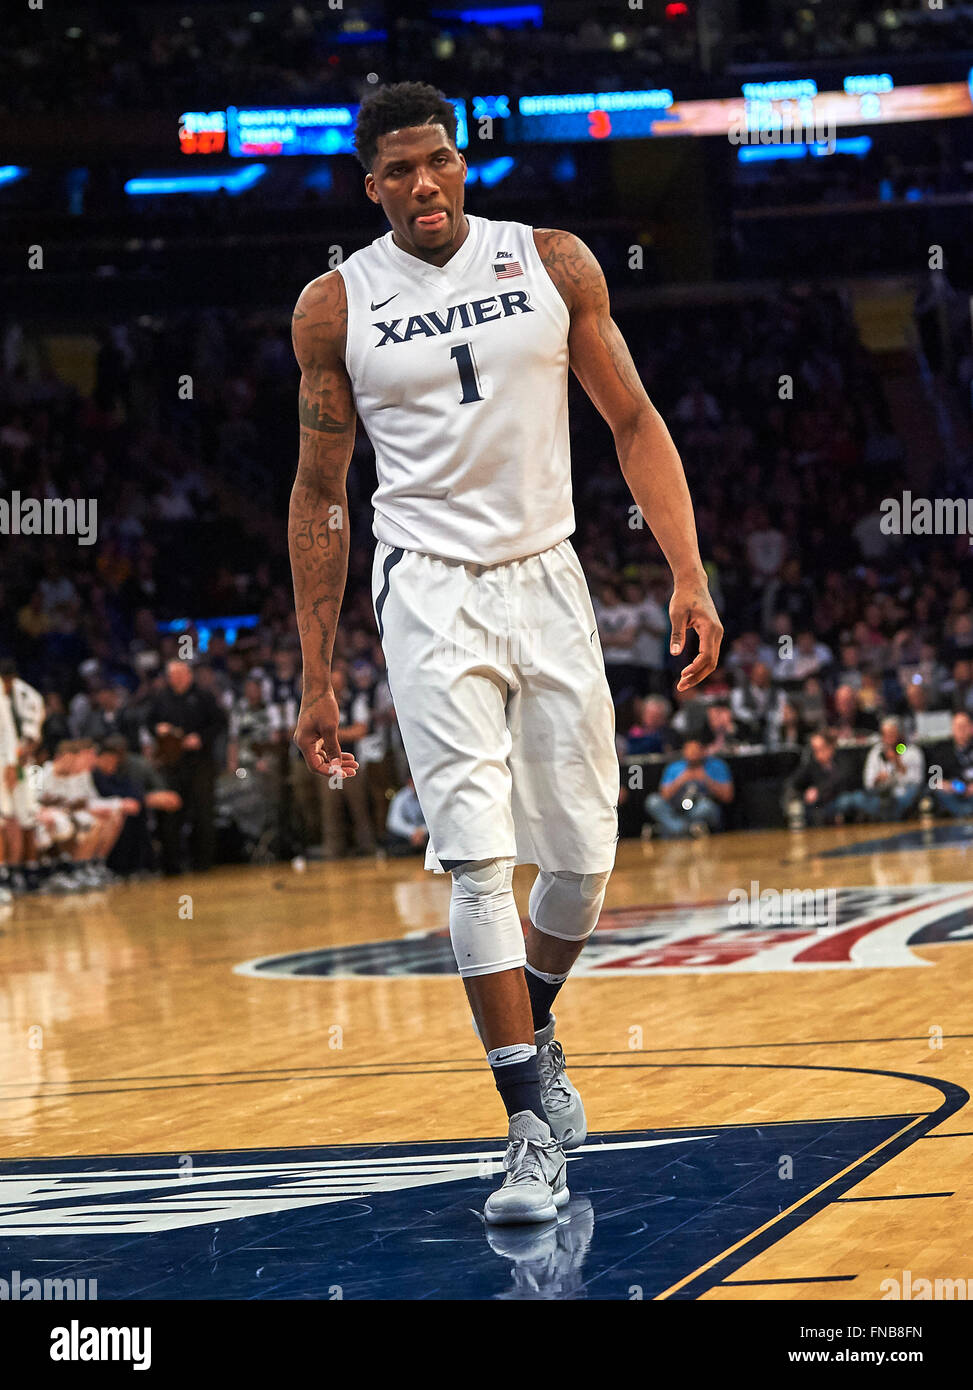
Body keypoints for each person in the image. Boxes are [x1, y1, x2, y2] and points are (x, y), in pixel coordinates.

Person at [288, 83, 722, 1225]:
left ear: (462, 161)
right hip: (425, 589)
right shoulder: (335, 307)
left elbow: (631, 419)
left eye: (436, 161)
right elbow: (322, 494)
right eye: (396, 171)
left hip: (549, 572)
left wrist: (686, 569)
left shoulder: (555, 261)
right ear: (367, 183)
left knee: (581, 861)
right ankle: (528, 1126)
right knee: (477, 861)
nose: (421, 184)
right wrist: (316, 671)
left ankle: (533, 1029)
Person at [143, 659, 225, 873]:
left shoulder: (204, 696)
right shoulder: (161, 699)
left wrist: (200, 738)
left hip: (200, 763)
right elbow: (148, 722)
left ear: (189, 675)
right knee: (171, 812)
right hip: (172, 763)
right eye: (172, 676)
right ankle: (172, 864)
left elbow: (220, 723)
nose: (176, 679)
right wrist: (158, 730)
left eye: (180, 675)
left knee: (203, 813)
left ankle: (204, 863)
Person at [644, 738, 734, 839]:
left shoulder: (717, 765)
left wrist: (706, 779)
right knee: (653, 801)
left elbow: (728, 797)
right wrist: (681, 780)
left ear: (703, 751)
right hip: (676, 808)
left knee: (706, 808)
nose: (692, 754)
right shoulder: (674, 767)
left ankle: (669, 829)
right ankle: (684, 829)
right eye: (689, 751)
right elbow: (664, 795)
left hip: (699, 808)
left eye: (695, 751)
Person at [784, 729, 860, 827]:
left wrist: (818, 791)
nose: (817, 753)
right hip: (823, 806)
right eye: (814, 750)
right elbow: (793, 781)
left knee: (852, 799)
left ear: (830, 747)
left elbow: (841, 779)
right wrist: (802, 795)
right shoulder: (812, 764)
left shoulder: (842, 759)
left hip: (841, 799)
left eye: (820, 749)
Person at [929, 711, 973, 818]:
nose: (961, 730)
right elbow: (933, 780)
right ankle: (965, 812)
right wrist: (947, 784)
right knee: (939, 792)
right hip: (953, 791)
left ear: (971, 728)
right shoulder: (940, 750)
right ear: (952, 729)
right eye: (958, 726)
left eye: (964, 726)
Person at [385, 774, 429, 855]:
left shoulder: (429, 795)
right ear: (409, 782)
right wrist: (412, 832)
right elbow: (393, 822)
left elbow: (436, 820)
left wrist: (422, 831)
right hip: (408, 835)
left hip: (425, 834)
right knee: (392, 837)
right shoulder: (400, 796)